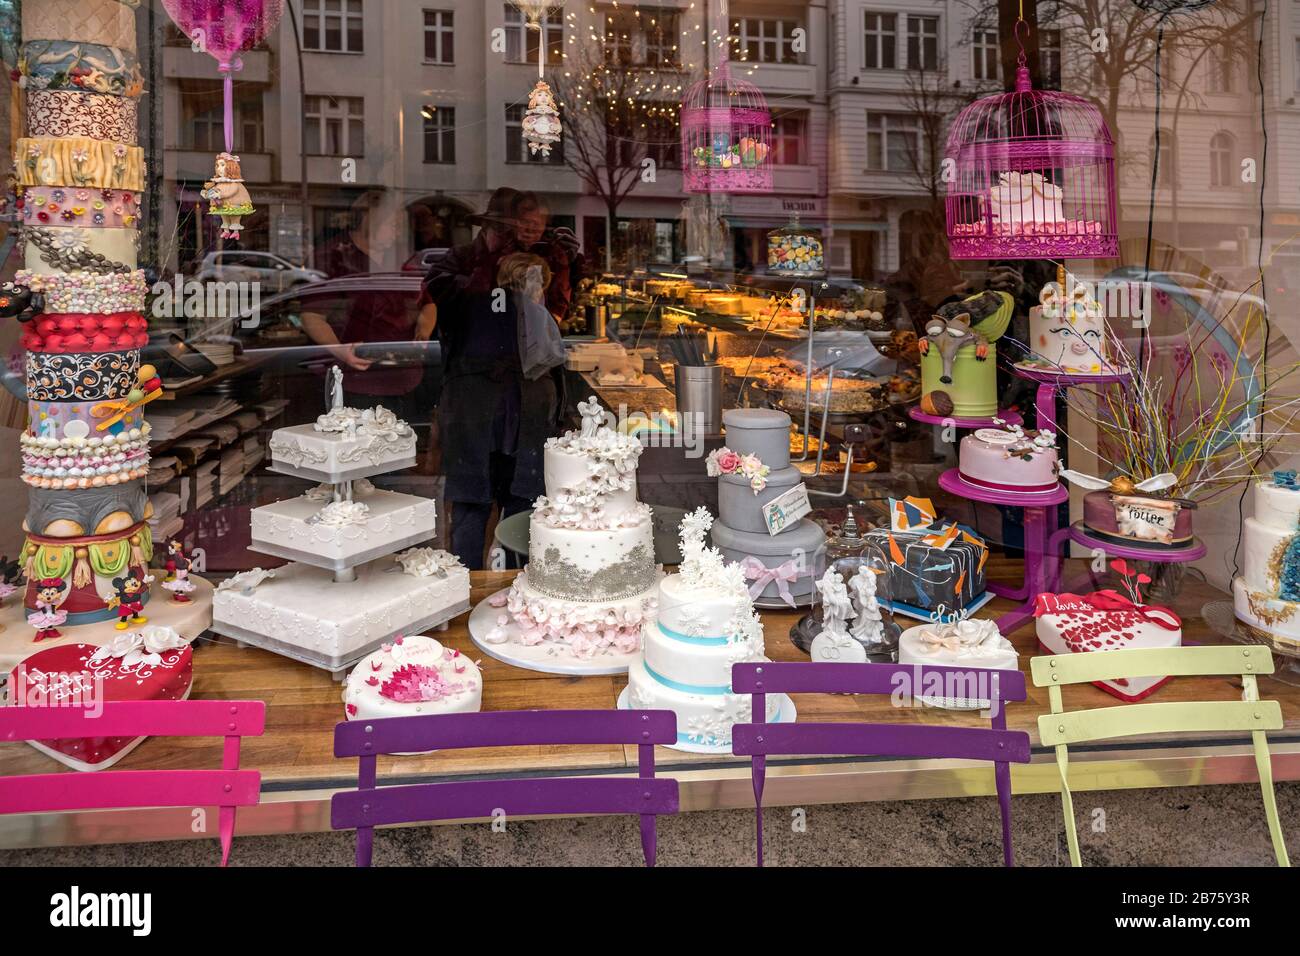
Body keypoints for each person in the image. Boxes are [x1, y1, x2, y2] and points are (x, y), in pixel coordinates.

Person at [425, 188, 572, 569]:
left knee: (525, 503)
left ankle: (521, 592)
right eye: (507, 229)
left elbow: (558, 315)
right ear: (488, 226)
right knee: (472, 503)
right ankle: (466, 588)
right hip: (472, 401)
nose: (513, 237)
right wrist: (491, 270)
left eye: (522, 230)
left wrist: (558, 264)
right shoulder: (457, 262)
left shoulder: (538, 262)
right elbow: (441, 295)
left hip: (528, 401)